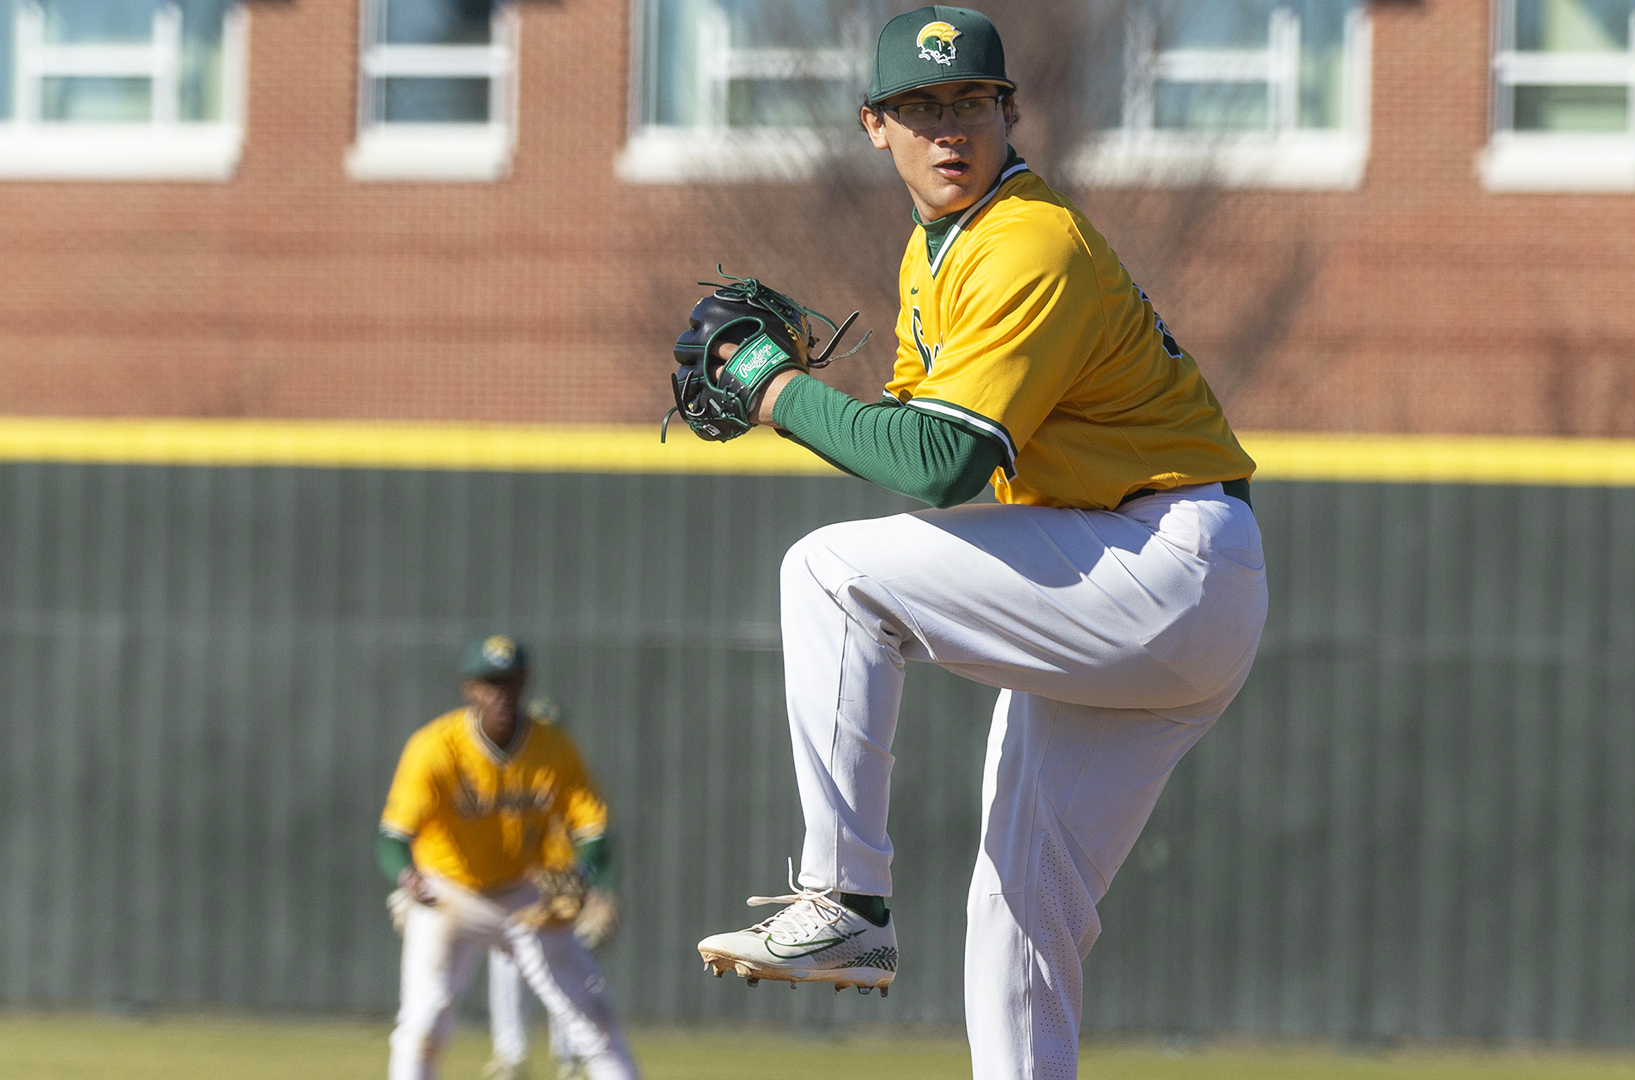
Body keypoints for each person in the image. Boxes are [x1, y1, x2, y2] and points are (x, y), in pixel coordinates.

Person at [689, 7, 1268, 1078]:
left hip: (1165, 555)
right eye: (921, 108)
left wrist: (772, 390)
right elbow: (912, 441)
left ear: (1008, 111)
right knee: (1018, 912)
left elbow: (941, 465)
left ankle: (844, 895)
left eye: (968, 103)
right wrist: (807, 396)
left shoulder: (1028, 239)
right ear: (876, 127)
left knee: (828, 570)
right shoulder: (934, 254)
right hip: (1127, 569)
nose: (947, 129)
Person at [378, 637, 639, 1080]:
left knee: (594, 1020)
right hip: (450, 892)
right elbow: (393, 836)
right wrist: (407, 877)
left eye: (510, 682)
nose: (501, 693)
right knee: (422, 1027)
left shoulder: (554, 749)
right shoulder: (435, 747)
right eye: (490, 683)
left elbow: (593, 831)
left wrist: (583, 873)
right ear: (470, 689)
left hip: (527, 894)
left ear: (524, 685)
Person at [483, 698, 618, 1080]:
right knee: (507, 965)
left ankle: (569, 1058)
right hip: (520, 884)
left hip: (565, 884)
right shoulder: (511, 778)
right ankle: (510, 1055)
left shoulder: (571, 775)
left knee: (568, 968)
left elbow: (600, 838)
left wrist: (602, 891)